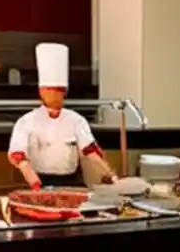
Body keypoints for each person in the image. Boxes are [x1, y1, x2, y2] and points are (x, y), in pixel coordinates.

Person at [8, 43, 117, 189]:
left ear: (65, 93)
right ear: (41, 92)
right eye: (49, 91)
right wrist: (36, 185)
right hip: (38, 181)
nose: (54, 96)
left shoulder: (76, 120)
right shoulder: (27, 122)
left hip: (71, 182)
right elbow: (18, 157)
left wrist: (111, 177)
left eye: (58, 92)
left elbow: (90, 152)